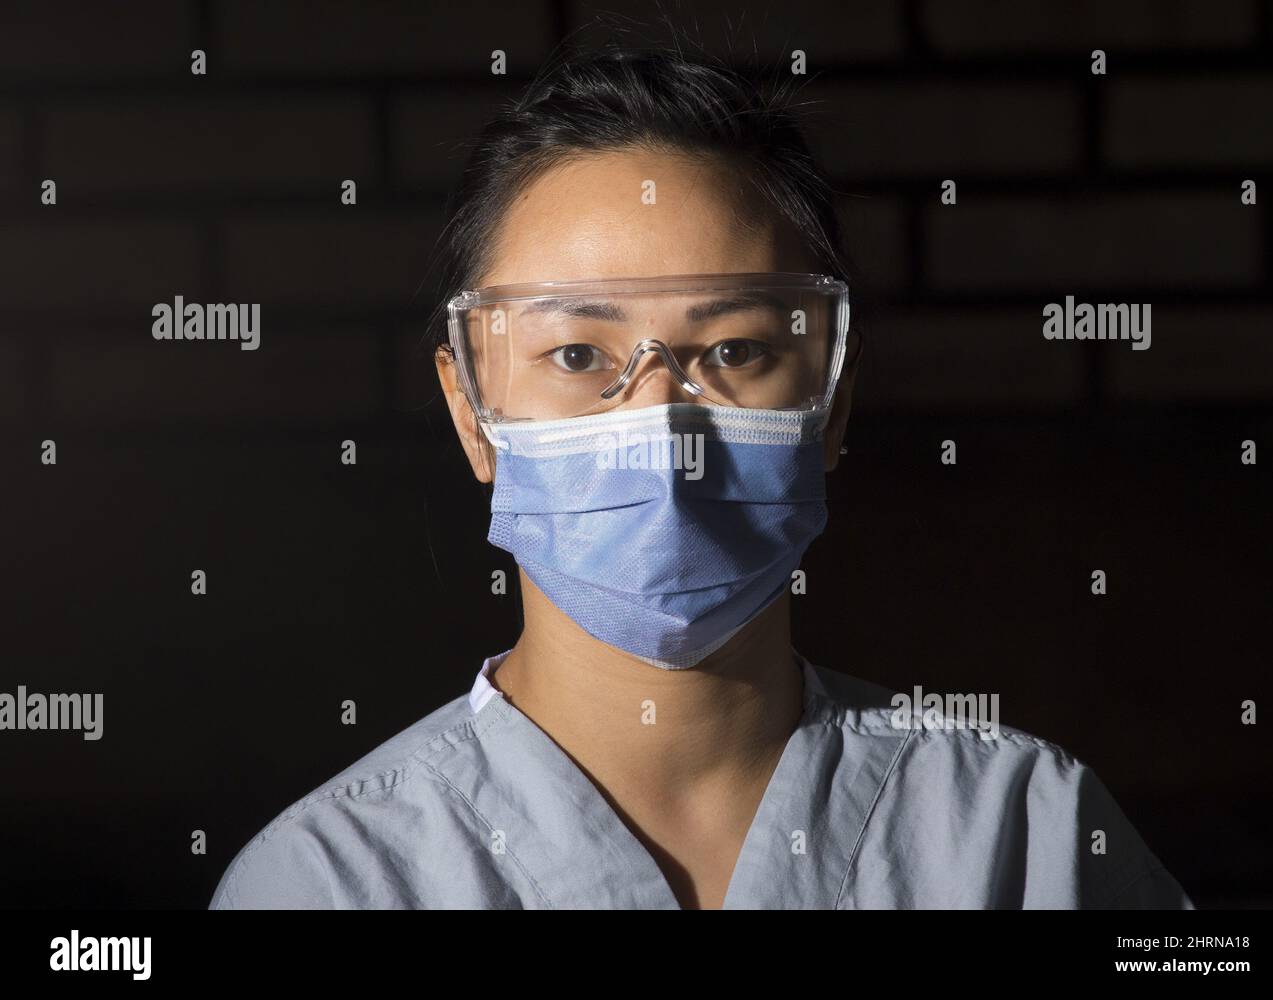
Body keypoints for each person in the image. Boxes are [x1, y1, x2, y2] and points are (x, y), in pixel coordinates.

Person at [209, 46, 1192, 910]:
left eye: (731, 348)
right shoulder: (333, 880)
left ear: (830, 406)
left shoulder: (1022, 838)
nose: (660, 423)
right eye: (577, 356)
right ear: (473, 413)